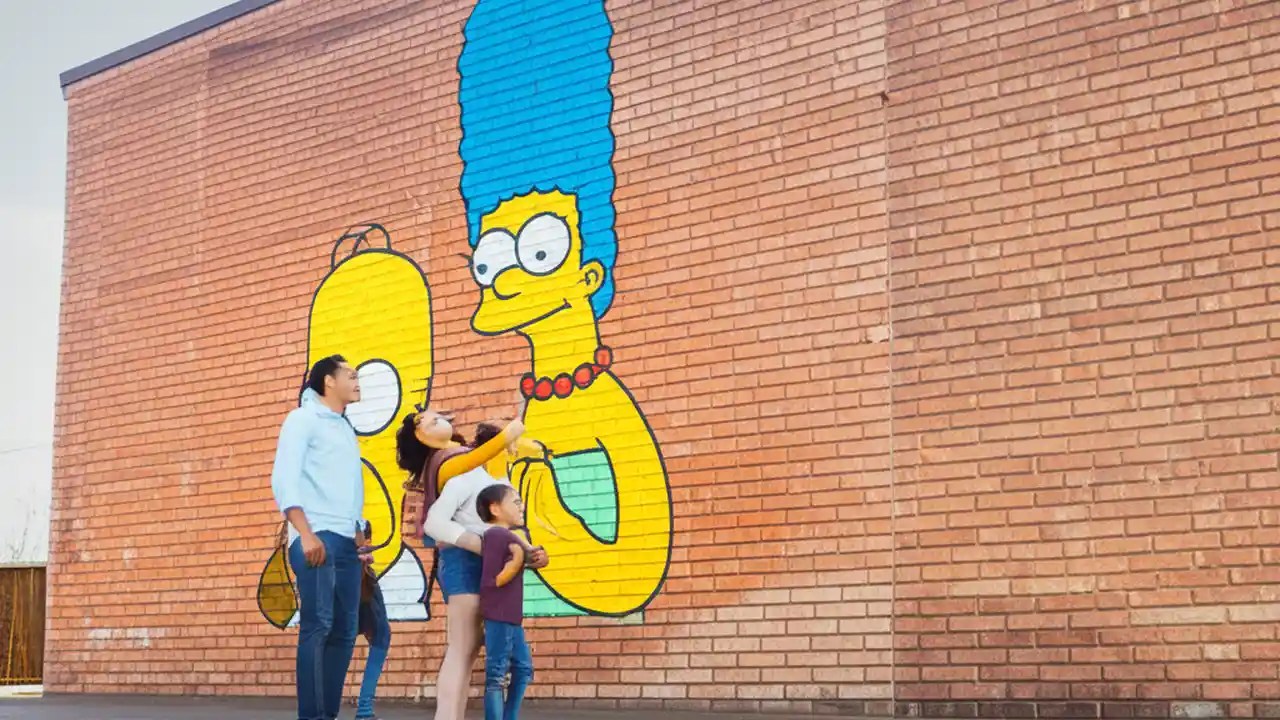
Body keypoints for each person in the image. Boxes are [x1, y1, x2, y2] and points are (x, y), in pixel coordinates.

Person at [395, 410, 548, 720]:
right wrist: (479, 546)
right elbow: (435, 523)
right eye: (508, 444)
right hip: (462, 562)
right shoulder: (460, 473)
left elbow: (504, 531)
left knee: (472, 647)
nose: (513, 449)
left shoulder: (499, 483)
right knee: (463, 647)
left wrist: (529, 552)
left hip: (491, 569)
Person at [271, 355, 367, 720]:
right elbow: (284, 478)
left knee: (346, 629)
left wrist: (358, 535)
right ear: (329, 381)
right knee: (319, 624)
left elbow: (347, 486)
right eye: (351, 375)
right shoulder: (303, 419)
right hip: (315, 537)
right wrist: (305, 532)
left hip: (344, 540)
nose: (358, 381)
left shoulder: (343, 427)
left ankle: (327, 715)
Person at [476, 484, 534, 720]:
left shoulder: (509, 536)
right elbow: (494, 580)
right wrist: (518, 559)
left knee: (522, 668)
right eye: (515, 502)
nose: (521, 507)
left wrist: (527, 558)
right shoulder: (496, 535)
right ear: (496, 508)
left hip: (510, 616)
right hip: (499, 615)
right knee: (497, 676)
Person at [356, 520, 391, 720]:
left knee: (334, 643)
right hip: (356, 577)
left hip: (342, 574)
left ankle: (326, 711)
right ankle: (364, 710)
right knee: (381, 638)